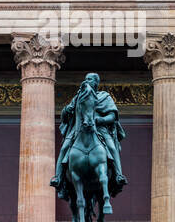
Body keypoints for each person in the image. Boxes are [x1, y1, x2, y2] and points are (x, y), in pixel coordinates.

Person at [51, 72, 126, 200]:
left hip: (100, 129)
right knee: (64, 149)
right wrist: (67, 110)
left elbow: (112, 116)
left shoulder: (104, 97)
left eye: (90, 79)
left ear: (96, 83)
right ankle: (58, 178)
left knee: (112, 148)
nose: (87, 81)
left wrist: (100, 120)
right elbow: (65, 116)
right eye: (86, 79)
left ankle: (119, 175)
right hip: (78, 129)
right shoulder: (79, 97)